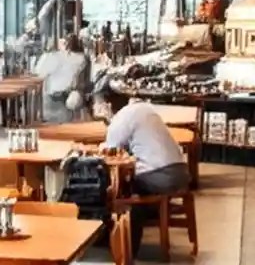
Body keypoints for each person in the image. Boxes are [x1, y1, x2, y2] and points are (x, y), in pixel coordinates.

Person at [96, 91, 188, 256]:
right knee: (132, 186)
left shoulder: (123, 117)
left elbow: (109, 149)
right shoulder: (146, 108)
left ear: (108, 106)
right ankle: (139, 226)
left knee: (123, 194)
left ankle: (126, 246)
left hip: (160, 175)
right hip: (181, 171)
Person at [35, 33, 91, 123]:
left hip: (53, 101)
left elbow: (39, 73)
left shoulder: (55, 57)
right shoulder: (83, 58)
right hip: (72, 98)